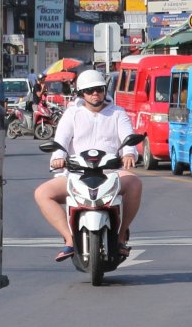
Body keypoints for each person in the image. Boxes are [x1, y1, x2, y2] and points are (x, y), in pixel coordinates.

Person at [33, 69, 142, 262]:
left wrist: (128, 154)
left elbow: (128, 138)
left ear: (104, 90)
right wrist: (58, 158)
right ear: (81, 93)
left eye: (99, 89)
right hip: (75, 175)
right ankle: (69, 238)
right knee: (42, 193)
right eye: (90, 90)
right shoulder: (72, 113)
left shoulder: (117, 113)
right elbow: (61, 142)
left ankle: (122, 234)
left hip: (111, 173)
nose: (95, 94)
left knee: (135, 183)